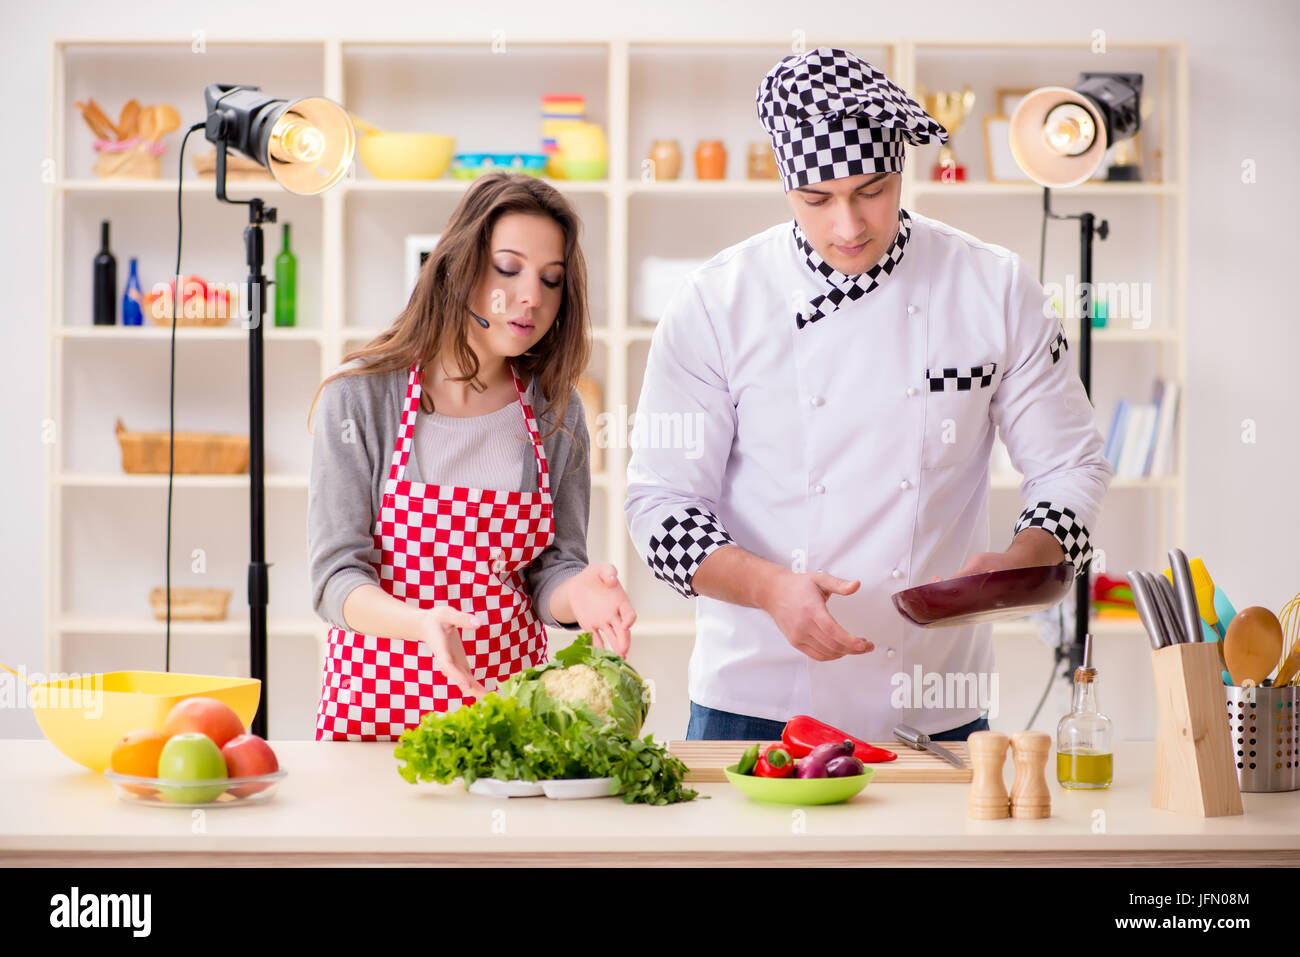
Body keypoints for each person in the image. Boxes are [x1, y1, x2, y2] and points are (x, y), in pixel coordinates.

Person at [625, 48, 1114, 743]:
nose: (847, 226)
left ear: (902, 171)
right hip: (754, 699)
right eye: (817, 199)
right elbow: (658, 505)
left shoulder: (995, 288)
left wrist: (1024, 555)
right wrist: (770, 587)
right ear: (785, 184)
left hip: (936, 697)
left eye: (871, 190)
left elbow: (1071, 466)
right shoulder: (716, 300)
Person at [308, 172, 635, 741]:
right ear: (459, 269)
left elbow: (550, 570)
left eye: (551, 280)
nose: (531, 296)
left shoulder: (558, 411)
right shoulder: (359, 399)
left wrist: (577, 593)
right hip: (375, 724)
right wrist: (419, 624)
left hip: (509, 724)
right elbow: (335, 578)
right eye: (508, 268)